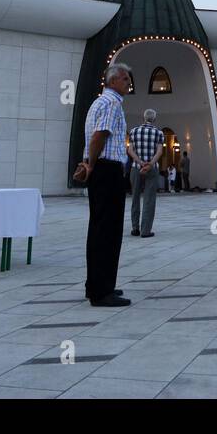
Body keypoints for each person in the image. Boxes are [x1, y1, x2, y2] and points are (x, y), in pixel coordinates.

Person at [74, 63, 133, 306]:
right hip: (107, 170)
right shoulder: (112, 103)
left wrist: (89, 162)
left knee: (99, 229)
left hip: (101, 169)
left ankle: (96, 285)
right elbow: (100, 134)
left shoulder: (98, 102)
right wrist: (92, 163)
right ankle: (102, 292)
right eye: (126, 79)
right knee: (108, 231)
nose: (129, 83)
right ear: (113, 80)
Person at [127, 108, 165, 238]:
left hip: (136, 167)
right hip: (152, 169)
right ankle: (145, 231)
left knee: (135, 197)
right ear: (154, 119)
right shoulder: (159, 133)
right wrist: (150, 164)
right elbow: (159, 152)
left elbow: (130, 151)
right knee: (149, 199)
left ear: (143, 118)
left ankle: (135, 228)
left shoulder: (133, 131)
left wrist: (140, 162)